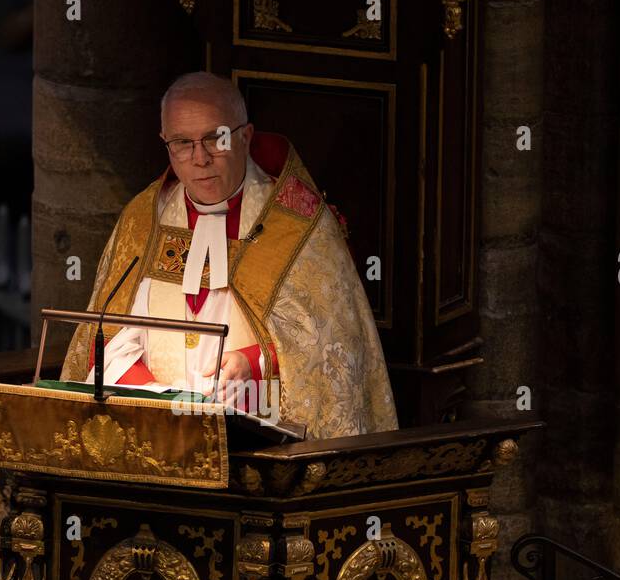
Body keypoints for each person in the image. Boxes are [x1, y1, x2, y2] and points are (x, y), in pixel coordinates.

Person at [59, 71, 397, 439]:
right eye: (182, 143)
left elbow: (334, 350)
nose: (199, 158)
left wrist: (255, 362)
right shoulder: (144, 220)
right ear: (165, 143)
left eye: (214, 138)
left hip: (259, 443)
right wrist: (161, 402)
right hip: (155, 437)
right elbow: (108, 339)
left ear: (245, 136)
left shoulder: (297, 224)